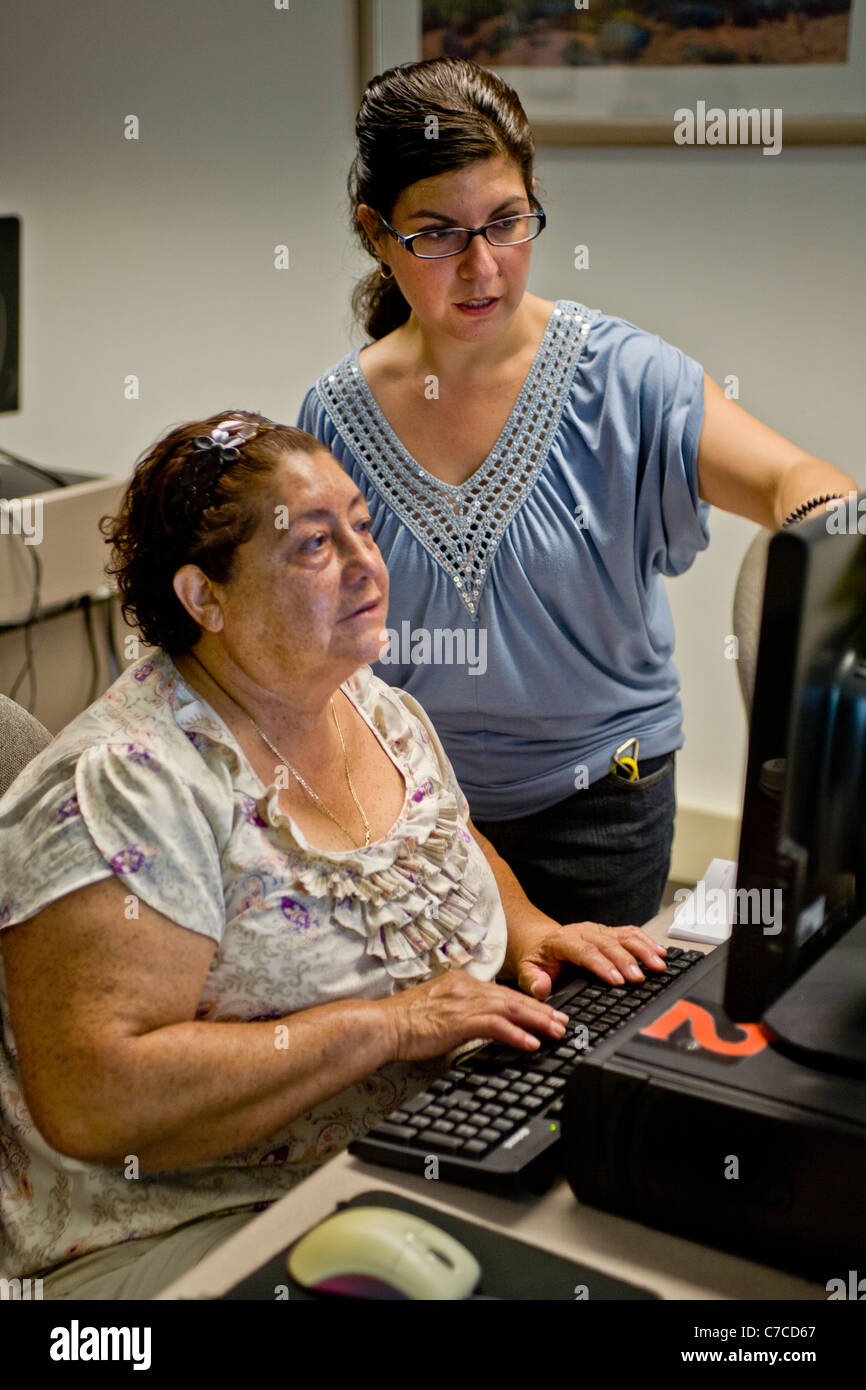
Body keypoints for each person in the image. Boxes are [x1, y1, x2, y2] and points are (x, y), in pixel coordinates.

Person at [0, 411, 667, 1299]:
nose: (367, 564)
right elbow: (94, 1101)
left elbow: (439, 836)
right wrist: (388, 1027)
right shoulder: (129, 787)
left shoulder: (366, 704)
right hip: (184, 1226)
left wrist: (529, 930)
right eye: (314, 546)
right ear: (206, 598)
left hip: (407, 1151)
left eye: (361, 523)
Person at [297, 56, 855, 929]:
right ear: (377, 233)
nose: (483, 268)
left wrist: (836, 544)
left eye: (507, 223)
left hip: (601, 805)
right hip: (414, 811)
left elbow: (795, 480)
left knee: (576, 1050)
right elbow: (318, 648)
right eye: (439, 234)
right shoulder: (335, 413)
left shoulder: (625, 379)